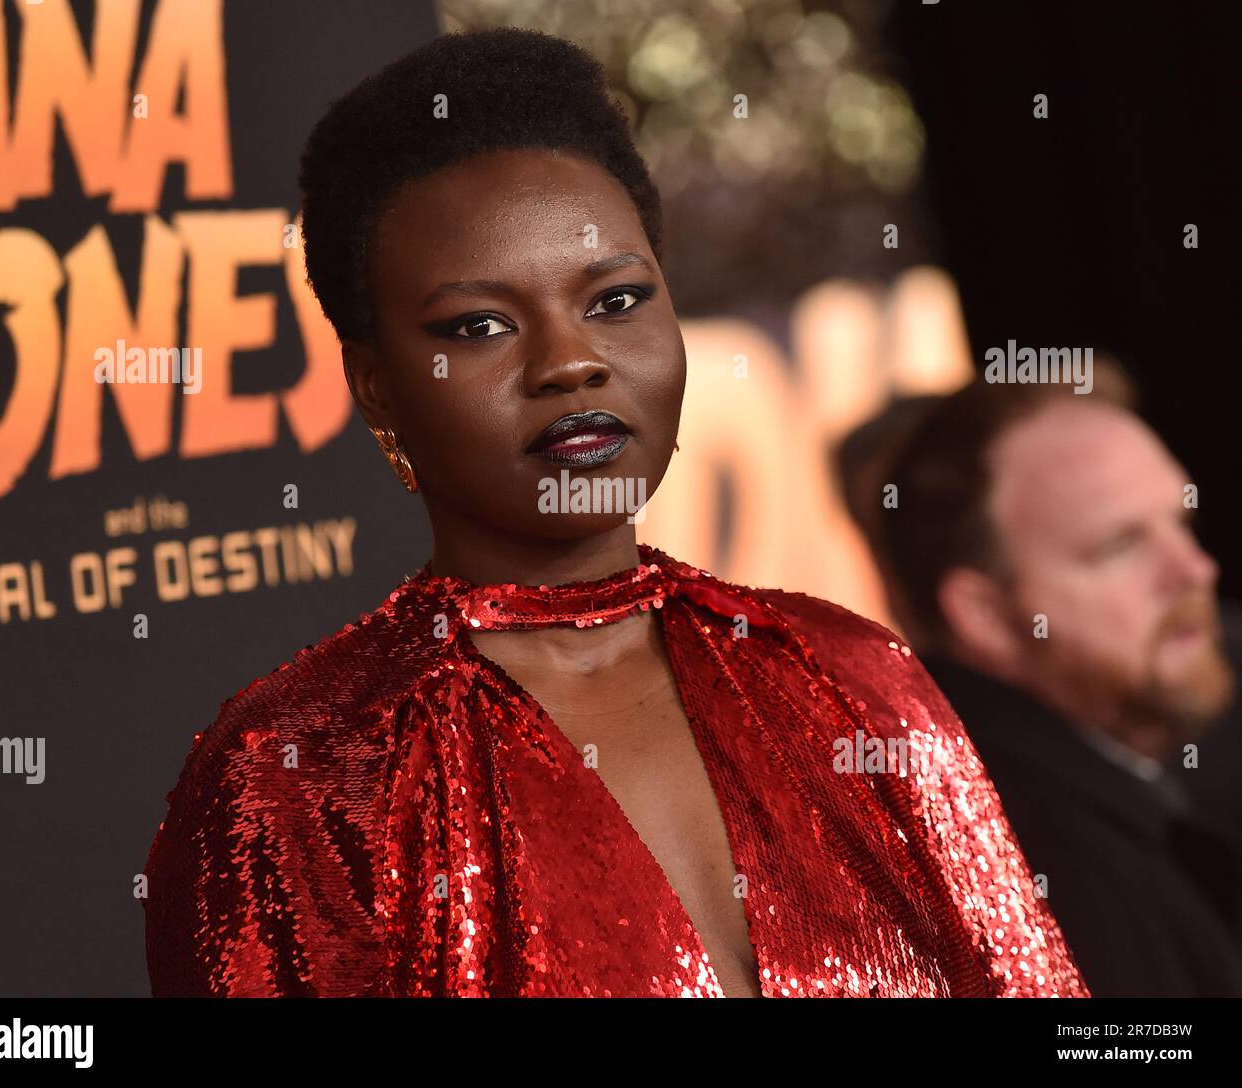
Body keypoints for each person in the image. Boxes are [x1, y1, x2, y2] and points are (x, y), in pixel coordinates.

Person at [141, 27, 1086, 998]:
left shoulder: (854, 679)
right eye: (479, 325)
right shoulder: (297, 773)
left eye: (616, 300)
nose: (569, 362)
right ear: (374, 383)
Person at [854, 361, 1242, 996]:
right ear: (985, 616)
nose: (1194, 570)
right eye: (1119, 546)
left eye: (1182, 523)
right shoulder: (1036, 874)